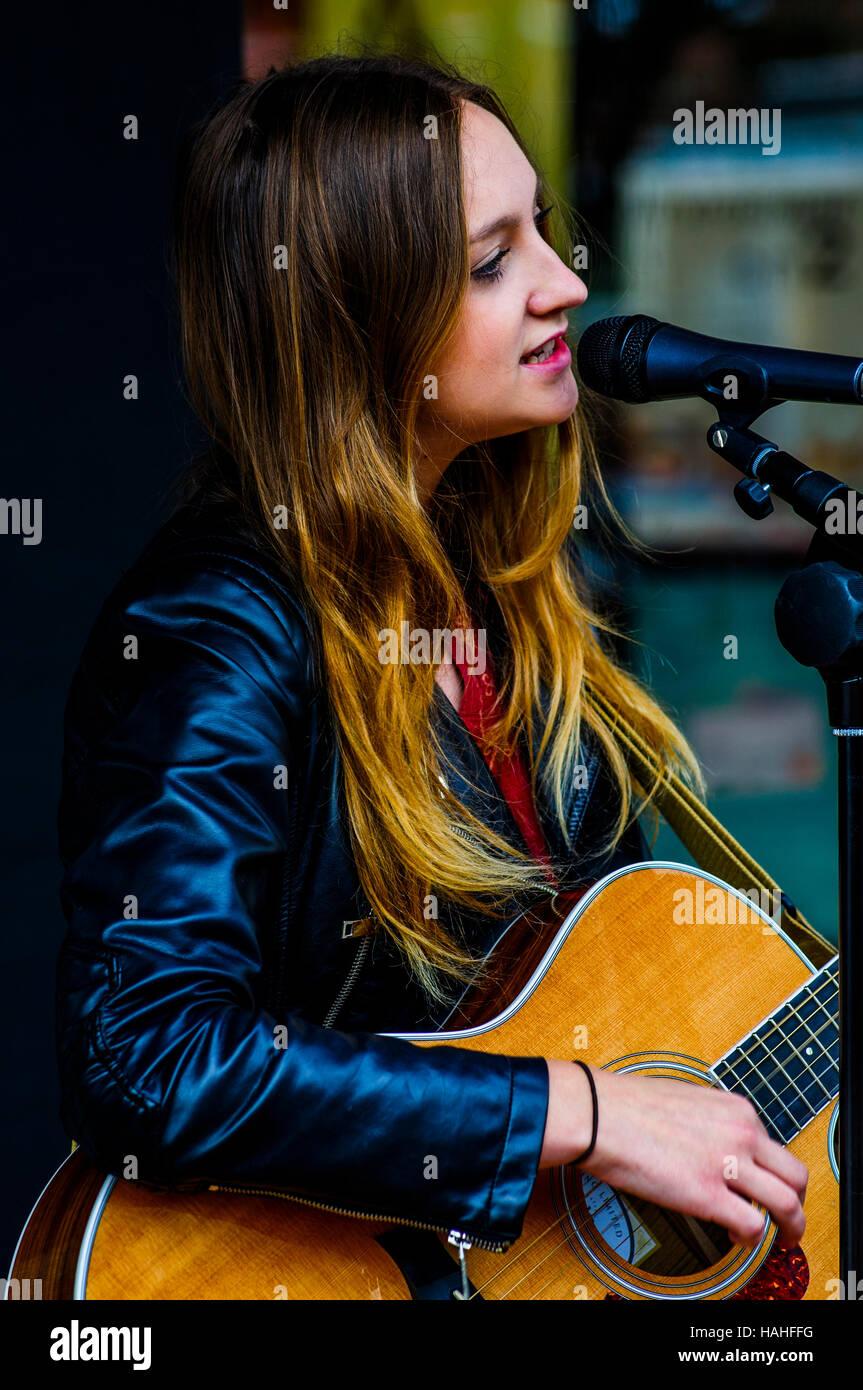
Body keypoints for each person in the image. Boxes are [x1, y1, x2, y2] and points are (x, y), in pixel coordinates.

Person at [55, 50, 806, 1278]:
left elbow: (618, 1013)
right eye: (490, 261)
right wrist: (584, 1114)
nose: (565, 285)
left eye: (544, 233)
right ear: (357, 316)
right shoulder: (217, 624)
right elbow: (147, 1051)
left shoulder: (508, 588)